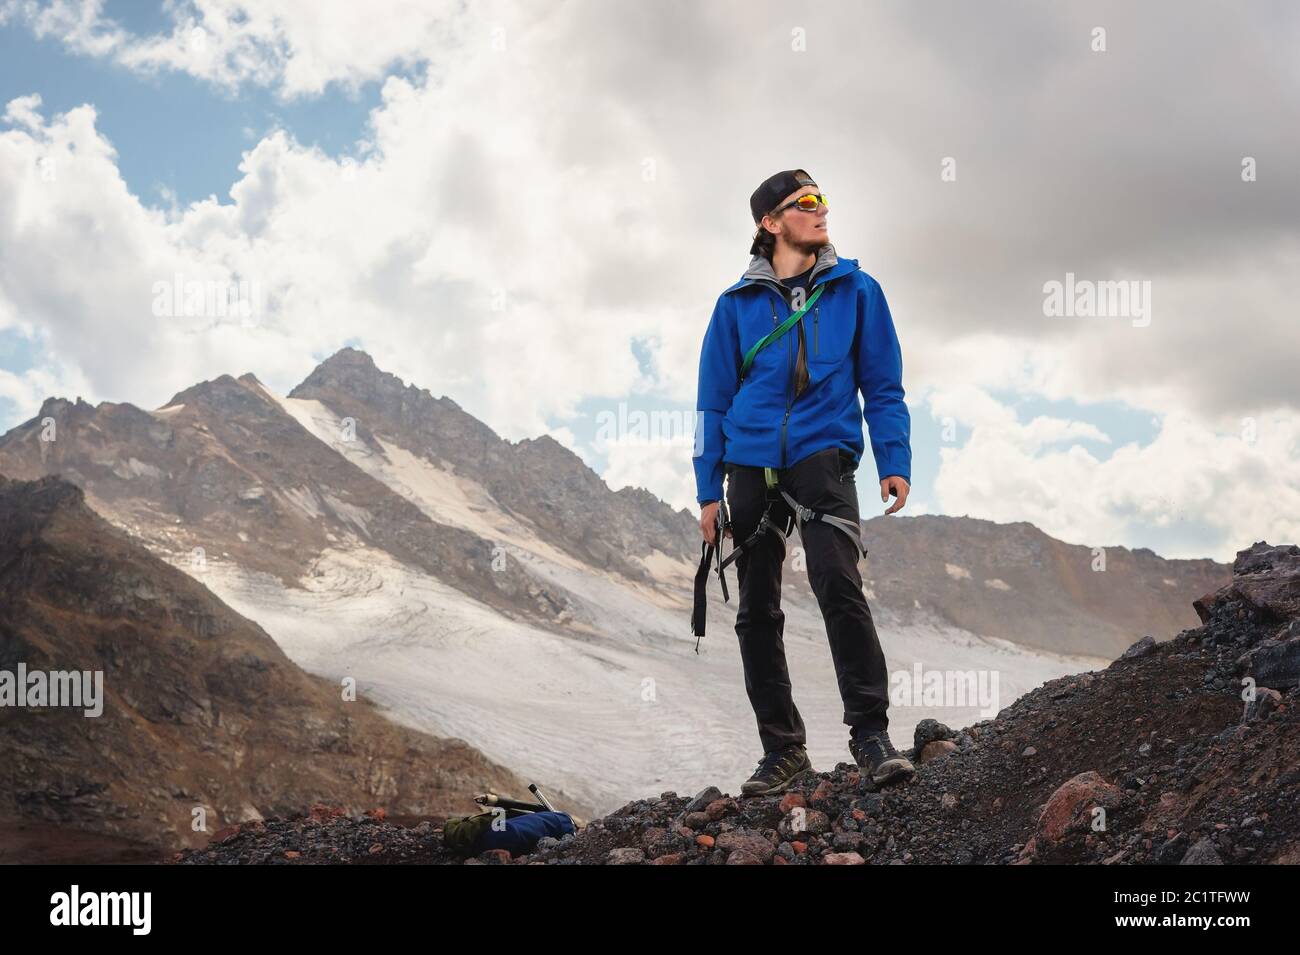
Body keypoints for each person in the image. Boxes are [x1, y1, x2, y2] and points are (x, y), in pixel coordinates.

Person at [693, 169, 915, 795]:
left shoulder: (858, 290)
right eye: (806, 204)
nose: (822, 213)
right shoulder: (733, 305)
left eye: (824, 202)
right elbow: (712, 403)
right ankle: (783, 751)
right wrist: (709, 490)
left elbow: (883, 382)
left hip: (824, 454)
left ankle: (871, 735)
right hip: (748, 464)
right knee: (756, 609)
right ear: (770, 223)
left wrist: (893, 458)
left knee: (838, 583)